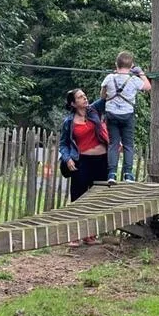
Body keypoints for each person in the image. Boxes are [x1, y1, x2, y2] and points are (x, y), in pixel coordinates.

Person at [59, 88, 110, 245]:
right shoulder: (69, 122)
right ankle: (74, 235)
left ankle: (90, 235)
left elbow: (105, 98)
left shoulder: (94, 111)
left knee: (97, 198)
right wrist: (67, 159)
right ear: (74, 103)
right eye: (80, 97)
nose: (85, 98)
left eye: (85, 96)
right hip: (82, 161)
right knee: (78, 198)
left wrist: (112, 79)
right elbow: (64, 144)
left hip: (101, 161)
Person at [100, 51, 151, 183]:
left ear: (116, 64)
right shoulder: (134, 79)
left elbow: (103, 96)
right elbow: (148, 87)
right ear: (132, 65)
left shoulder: (109, 78)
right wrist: (141, 73)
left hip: (111, 115)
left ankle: (111, 174)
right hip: (127, 116)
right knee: (128, 145)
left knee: (113, 144)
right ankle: (128, 174)